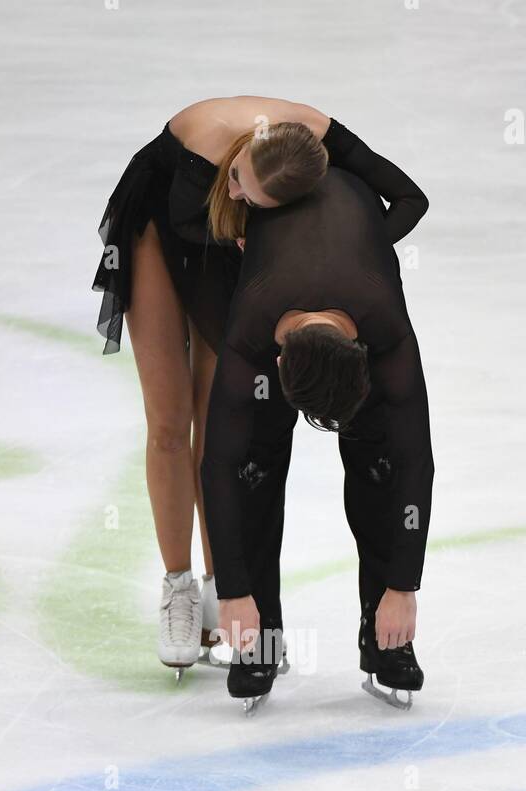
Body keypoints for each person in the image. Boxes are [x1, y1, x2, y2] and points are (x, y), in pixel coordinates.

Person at [92, 97, 429, 676]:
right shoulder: (205, 154)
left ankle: (221, 580)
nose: (245, 194)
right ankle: (179, 588)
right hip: (174, 222)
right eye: (243, 185)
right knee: (172, 421)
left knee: (221, 417)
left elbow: (409, 199)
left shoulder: (316, 144)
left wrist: (367, 242)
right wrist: (242, 229)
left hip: (244, 247)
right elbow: (188, 221)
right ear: (241, 161)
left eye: (258, 198)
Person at [200, 166, 434, 712]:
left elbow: (414, 461)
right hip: (273, 258)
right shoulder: (250, 329)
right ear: (275, 362)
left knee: (382, 468)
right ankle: (261, 641)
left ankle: (386, 639)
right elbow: (219, 466)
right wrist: (235, 592)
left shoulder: (386, 327)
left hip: (349, 249)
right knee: (253, 470)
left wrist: (403, 586)